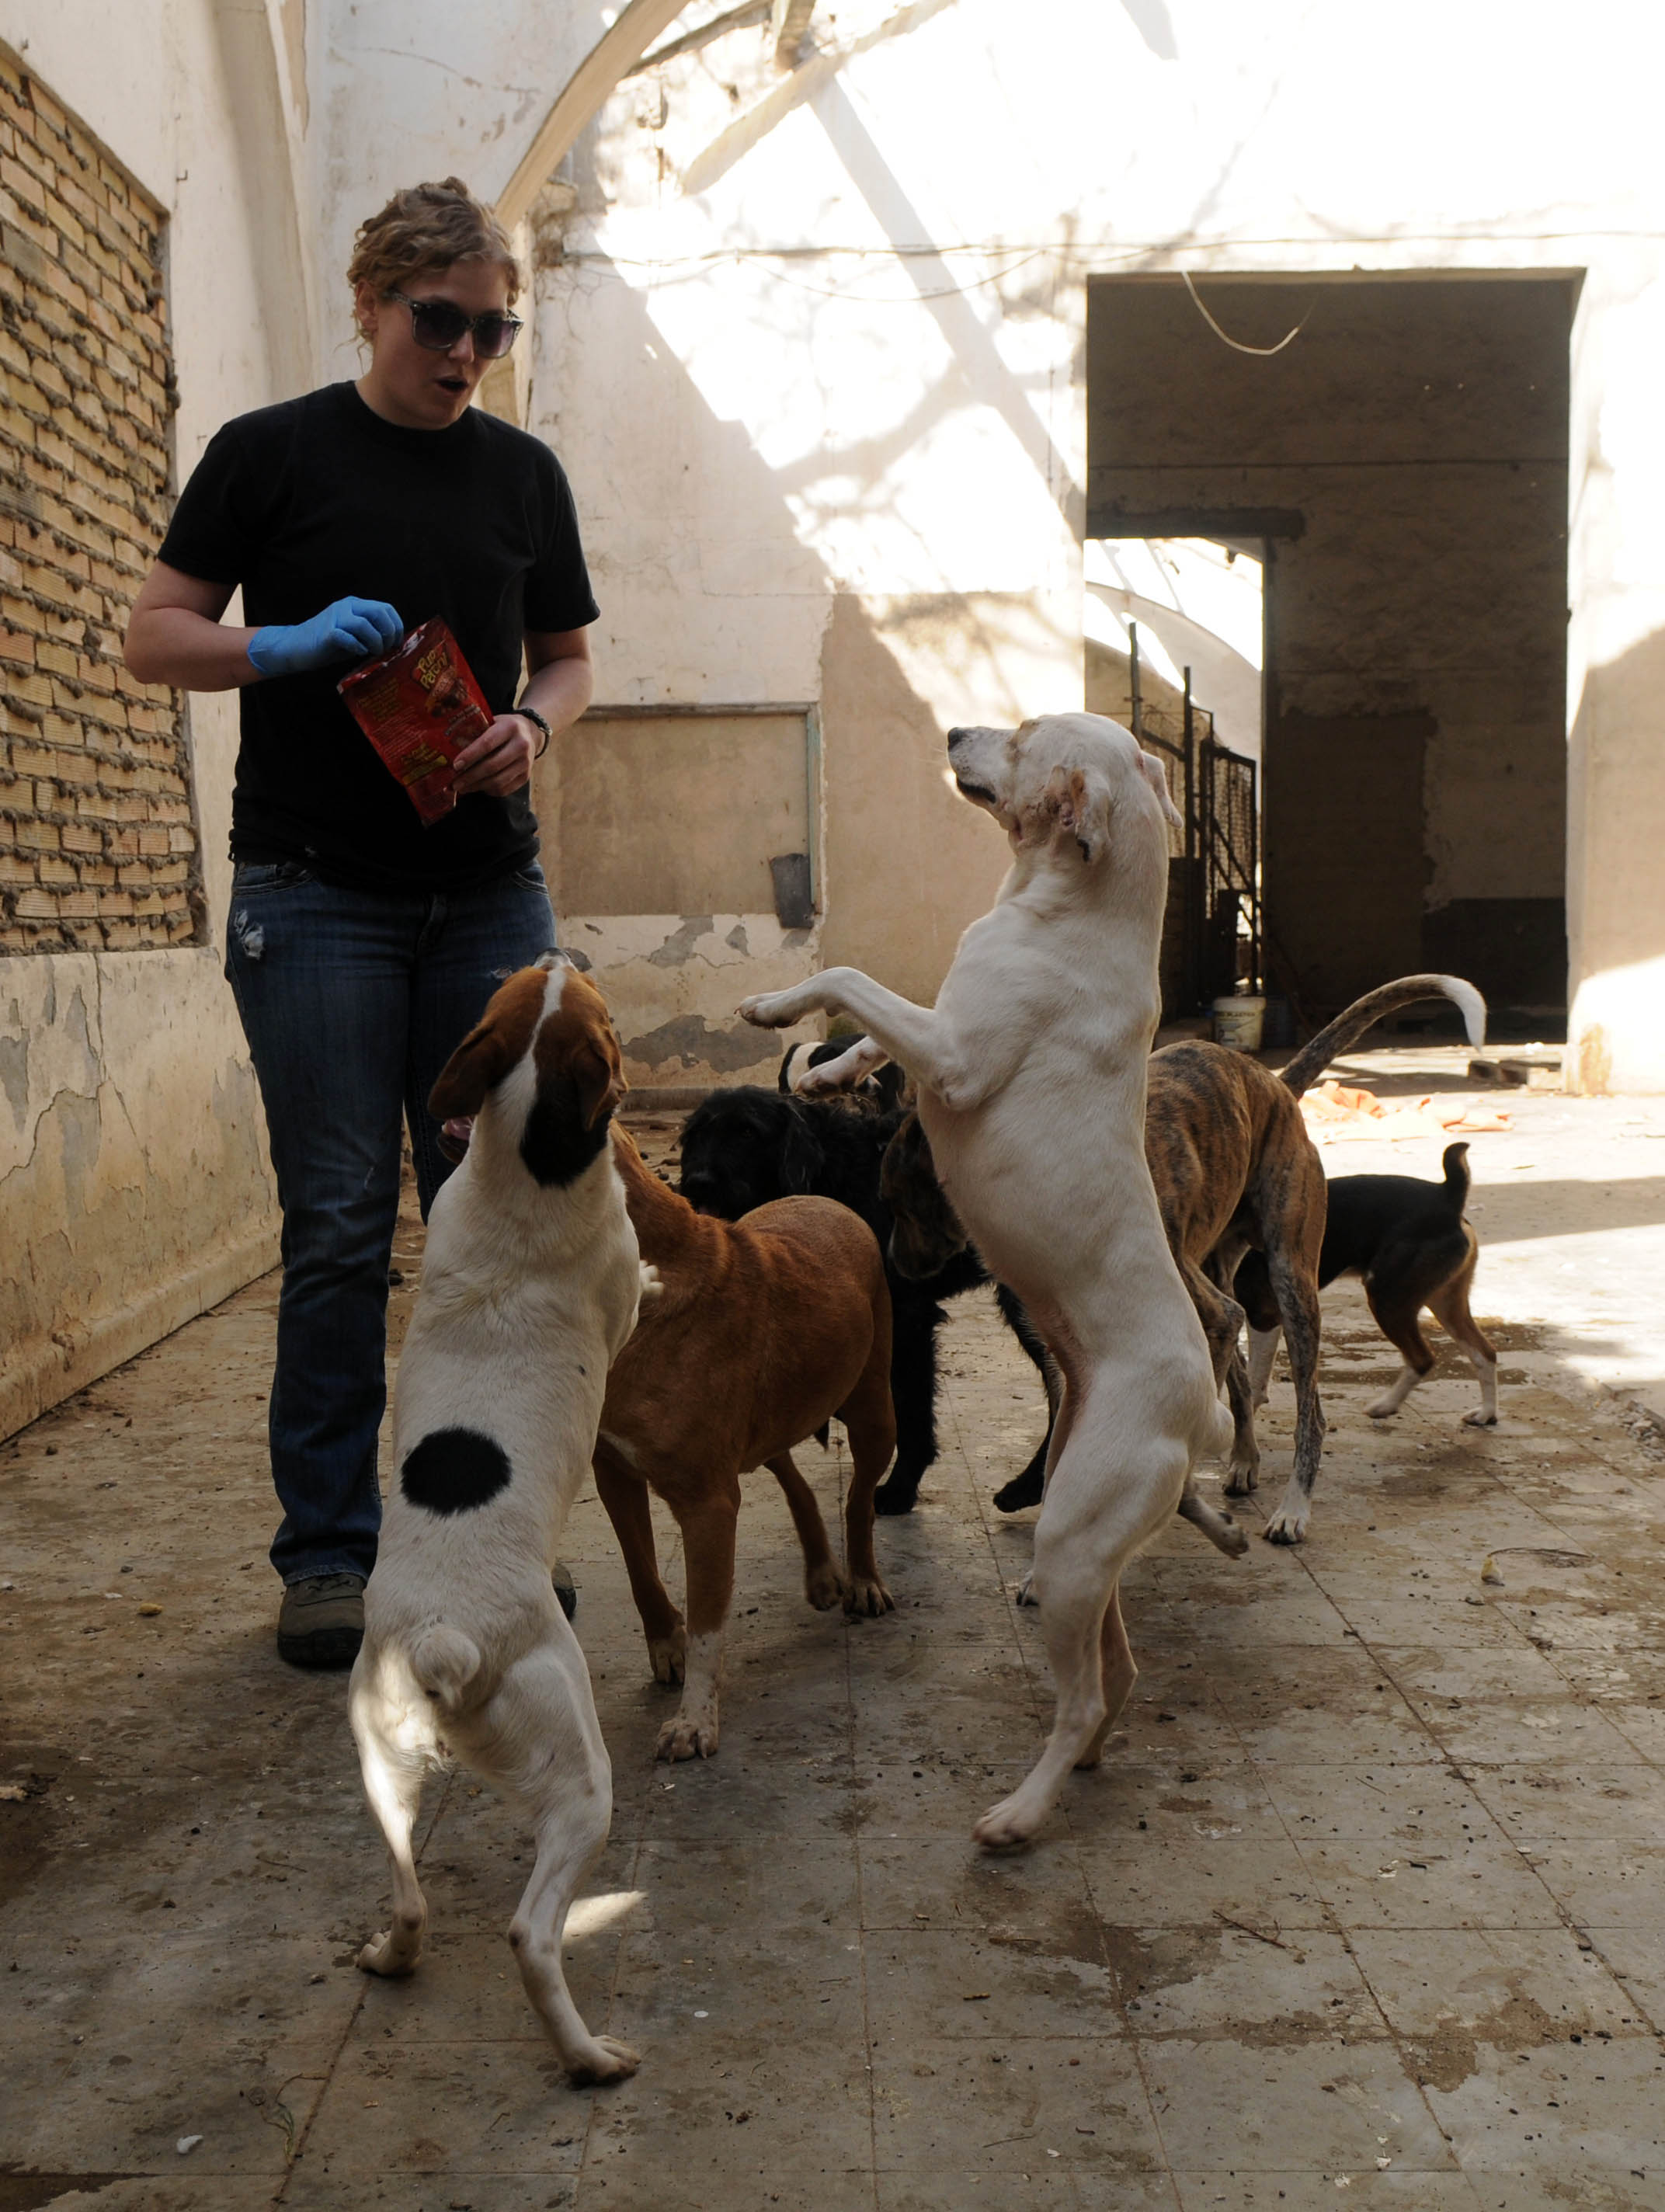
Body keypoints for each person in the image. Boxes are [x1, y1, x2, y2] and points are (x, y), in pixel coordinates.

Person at [124, 178, 597, 1668]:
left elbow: (572, 657)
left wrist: (532, 724)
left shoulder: (524, 476)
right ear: (373, 306)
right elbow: (152, 634)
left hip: (486, 892)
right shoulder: (270, 455)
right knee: (339, 1230)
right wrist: (277, 644)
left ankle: (486, 1542)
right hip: (314, 894)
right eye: (439, 321)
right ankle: (330, 1560)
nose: (465, 352)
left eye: (491, 328)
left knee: (505, 1225)